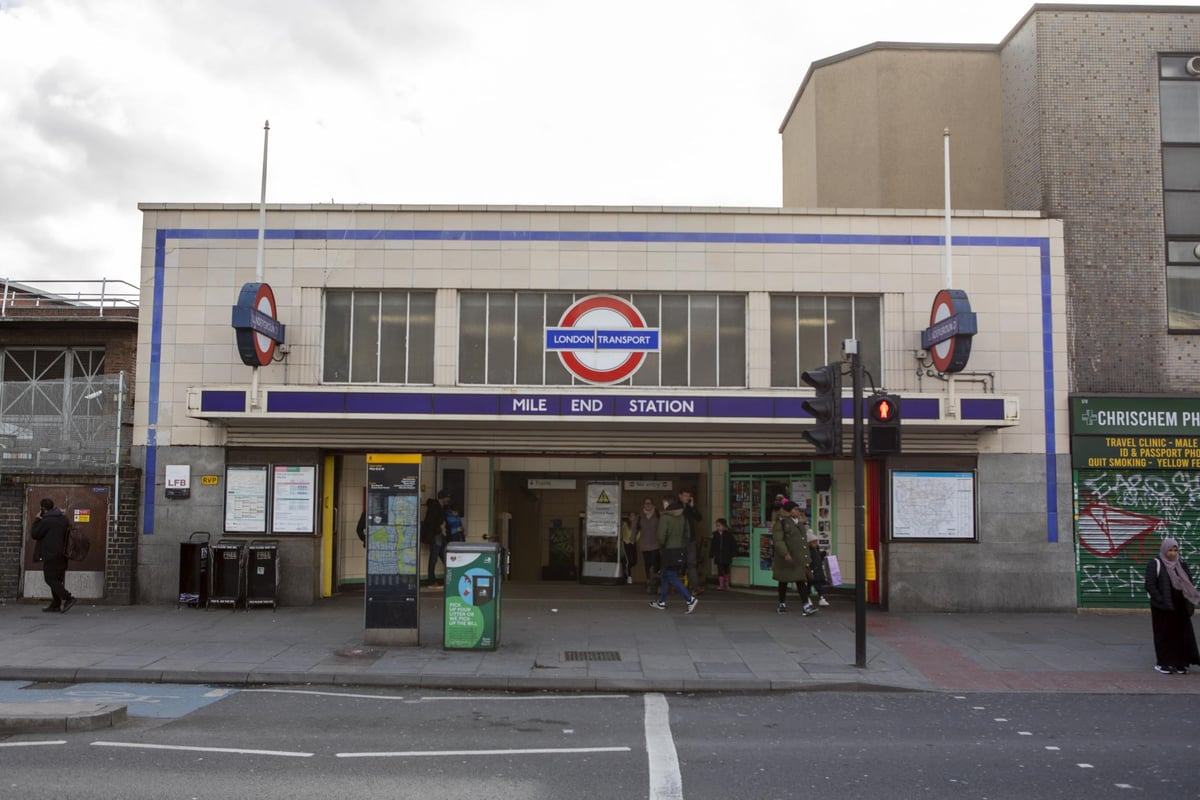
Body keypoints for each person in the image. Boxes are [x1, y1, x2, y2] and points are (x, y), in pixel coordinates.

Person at [1145, 537, 1200, 674]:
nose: (1173, 553)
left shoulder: (1181, 564)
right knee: (1164, 635)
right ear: (1164, 550)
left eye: (1175, 550)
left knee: (1182, 635)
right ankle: (1163, 663)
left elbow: (1189, 582)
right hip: (1163, 607)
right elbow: (1150, 585)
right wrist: (1161, 600)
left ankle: (1180, 663)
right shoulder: (1155, 563)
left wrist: (1189, 602)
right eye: (1170, 550)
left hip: (1181, 606)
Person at [649, 497, 698, 614]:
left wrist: (662, 546)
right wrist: (682, 545)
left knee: (671, 576)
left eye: (664, 503)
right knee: (664, 575)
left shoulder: (665, 517)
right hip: (680, 550)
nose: (663, 505)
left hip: (668, 550)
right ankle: (661, 602)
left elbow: (661, 536)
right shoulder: (683, 517)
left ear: (668, 504)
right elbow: (688, 534)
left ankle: (690, 599)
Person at [30, 498, 76, 613]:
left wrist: (37, 519)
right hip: (63, 554)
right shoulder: (63, 519)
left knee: (50, 578)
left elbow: (35, 534)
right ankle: (56, 604)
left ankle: (69, 598)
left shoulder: (46, 521)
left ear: (43, 508)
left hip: (51, 554)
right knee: (56, 579)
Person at [772, 501, 815, 615]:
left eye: (798, 509)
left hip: (798, 558)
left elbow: (803, 541)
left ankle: (806, 606)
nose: (798, 511)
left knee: (801, 580)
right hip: (786, 559)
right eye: (795, 509)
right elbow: (778, 541)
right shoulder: (781, 523)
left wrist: (807, 557)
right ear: (788, 511)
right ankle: (782, 604)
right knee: (783, 581)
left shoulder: (799, 524)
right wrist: (785, 553)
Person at [421, 489, 451, 584]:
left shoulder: (439, 507)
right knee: (434, 558)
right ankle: (431, 580)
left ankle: (435, 579)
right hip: (435, 535)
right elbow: (431, 522)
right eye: (447, 497)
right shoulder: (435, 507)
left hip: (438, 535)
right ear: (442, 498)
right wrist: (438, 531)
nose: (448, 499)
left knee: (443, 557)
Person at [678, 488, 704, 593]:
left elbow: (699, 518)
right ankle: (677, 585)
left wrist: (693, 506)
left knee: (691, 564)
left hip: (691, 539)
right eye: (685, 496)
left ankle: (695, 587)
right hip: (679, 540)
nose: (687, 498)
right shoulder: (676, 507)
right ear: (680, 496)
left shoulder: (690, 508)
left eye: (689, 496)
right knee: (678, 563)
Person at [635, 498, 661, 594]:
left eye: (650, 503)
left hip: (655, 543)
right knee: (647, 564)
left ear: (653, 504)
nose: (648, 505)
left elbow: (662, 526)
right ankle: (649, 581)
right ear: (644, 505)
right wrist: (632, 538)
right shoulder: (640, 515)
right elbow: (635, 527)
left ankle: (656, 582)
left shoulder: (657, 514)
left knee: (655, 563)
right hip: (644, 544)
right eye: (646, 503)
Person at [710, 518, 737, 590]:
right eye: (717, 526)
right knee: (720, 570)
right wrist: (712, 554)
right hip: (719, 556)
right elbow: (713, 545)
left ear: (724, 526)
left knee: (726, 570)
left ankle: (727, 584)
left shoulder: (729, 535)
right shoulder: (715, 535)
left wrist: (734, 554)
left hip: (727, 556)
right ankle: (721, 585)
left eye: (719, 526)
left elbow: (733, 545)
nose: (718, 527)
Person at [807, 530, 830, 607]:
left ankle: (821, 597)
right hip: (811, 570)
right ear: (809, 542)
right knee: (809, 584)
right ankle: (808, 598)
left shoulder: (816, 549)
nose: (815, 543)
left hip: (817, 570)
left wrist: (823, 554)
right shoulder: (807, 550)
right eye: (813, 542)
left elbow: (818, 558)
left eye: (816, 542)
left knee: (818, 584)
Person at [621, 512, 638, 584]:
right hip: (626, 543)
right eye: (630, 515)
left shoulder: (637, 525)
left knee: (634, 561)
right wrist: (624, 540)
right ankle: (629, 577)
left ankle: (625, 568)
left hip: (633, 543)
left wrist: (634, 540)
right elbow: (622, 533)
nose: (631, 517)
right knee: (628, 560)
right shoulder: (625, 524)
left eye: (633, 516)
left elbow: (639, 534)